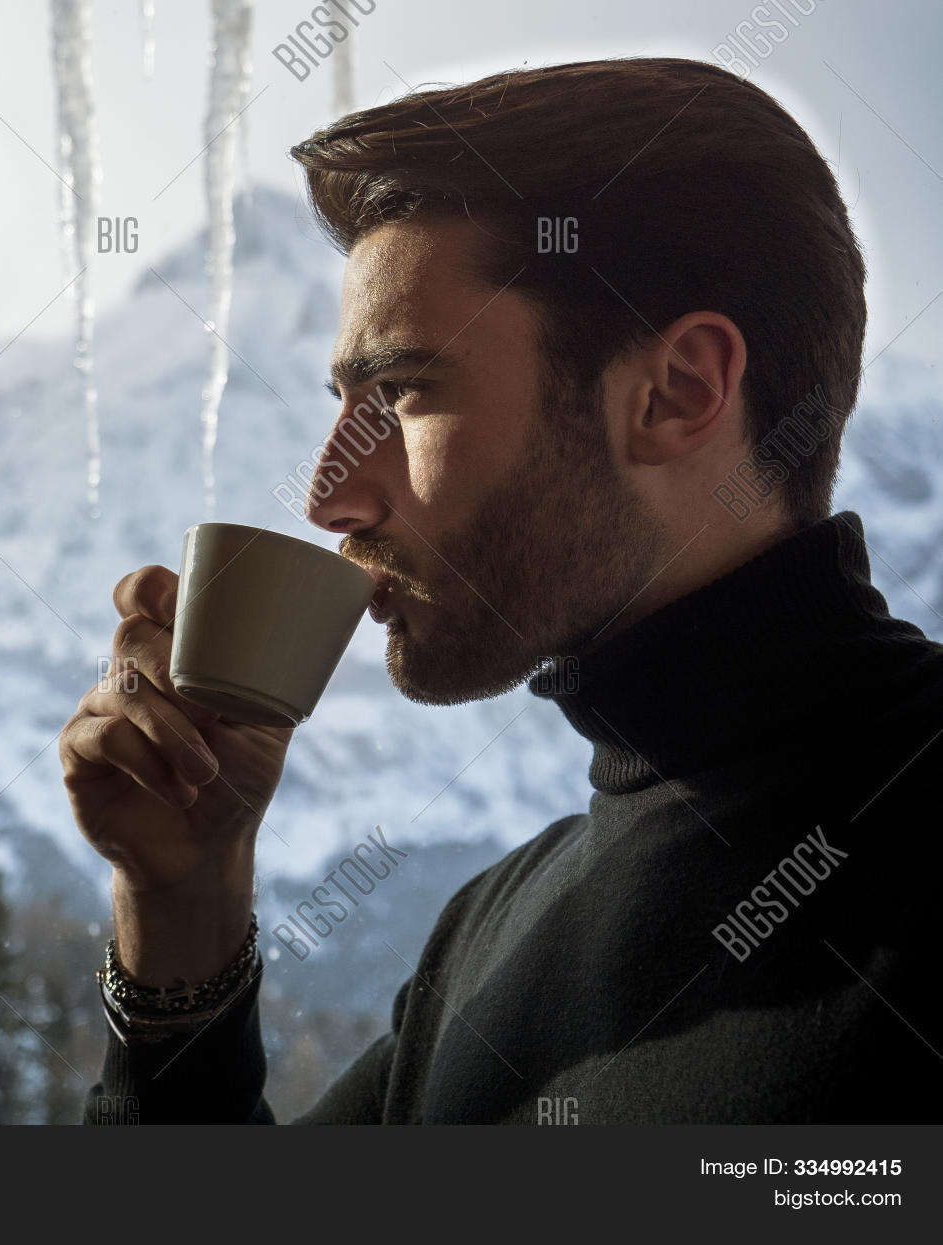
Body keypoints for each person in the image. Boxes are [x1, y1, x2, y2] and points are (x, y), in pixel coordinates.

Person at [58, 57, 943, 1123]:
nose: (328, 497)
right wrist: (185, 898)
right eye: (346, 401)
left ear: (677, 393)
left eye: (403, 392)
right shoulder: (484, 938)